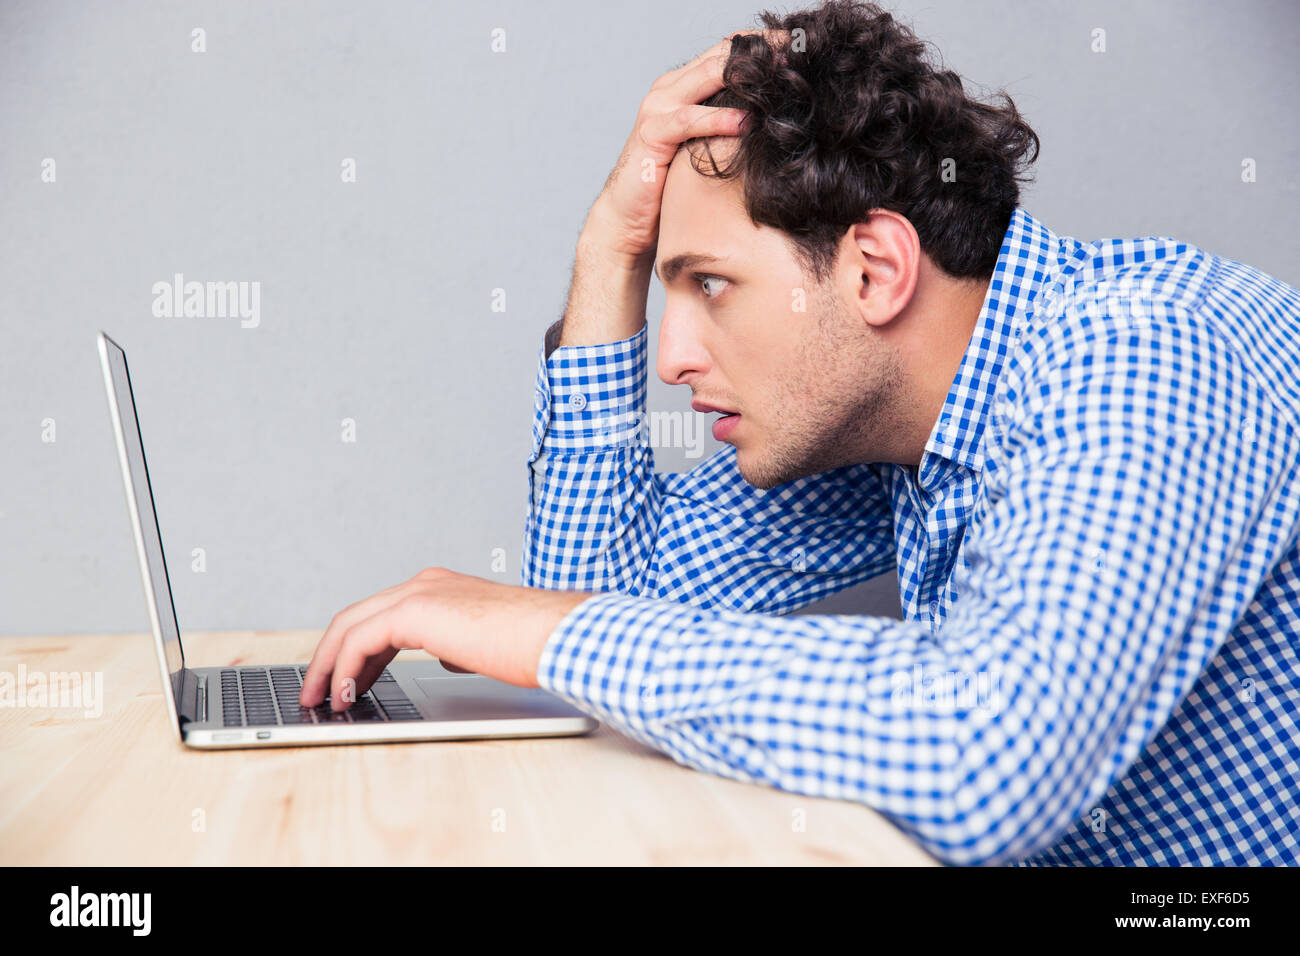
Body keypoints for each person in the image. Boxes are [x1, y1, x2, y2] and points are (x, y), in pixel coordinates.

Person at [301, 0, 1300, 866]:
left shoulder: (1150, 349)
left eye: (709, 284)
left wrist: (550, 627)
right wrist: (611, 245)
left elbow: (986, 757)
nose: (671, 355)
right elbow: (593, 607)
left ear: (873, 270)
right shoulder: (897, 414)